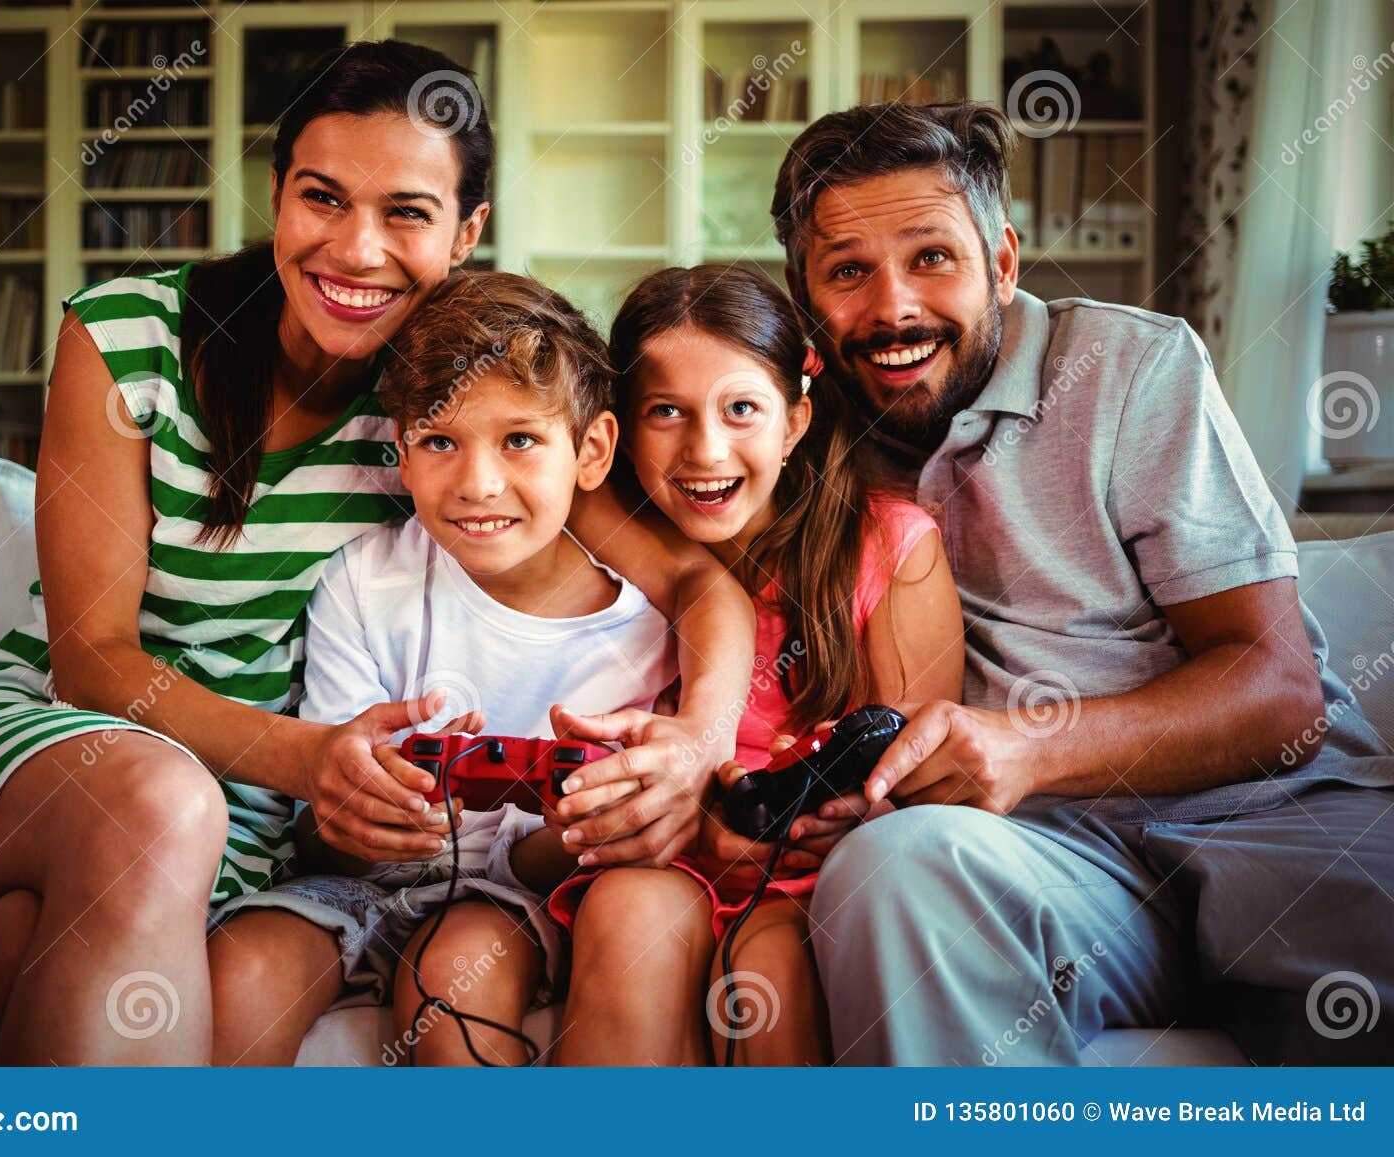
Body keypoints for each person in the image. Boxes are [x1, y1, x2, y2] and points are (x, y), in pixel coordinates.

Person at [0, 41, 751, 1066]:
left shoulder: (452, 396)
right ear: (278, 196)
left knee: (23, 949)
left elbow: (692, 580)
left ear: (468, 231)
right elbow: (91, 657)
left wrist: (697, 741)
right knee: (157, 807)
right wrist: (312, 761)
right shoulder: (127, 338)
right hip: (73, 749)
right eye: (323, 198)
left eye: (407, 211)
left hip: (270, 831)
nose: (357, 249)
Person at [771, 100, 1394, 1064]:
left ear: (1004, 263)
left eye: (932, 257)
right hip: (1055, 866)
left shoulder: (1130, 367)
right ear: (805, 296)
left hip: (1279, 824)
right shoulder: (785, 436)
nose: (892, 308)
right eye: (848, 271)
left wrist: (1028, 746)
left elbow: (1278, 689)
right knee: (891, 869)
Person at [206, 270, 679, 1066]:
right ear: (402, 451)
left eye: (520, 440)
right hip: (349, 885)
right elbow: (324, 836)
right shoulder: (362, 579)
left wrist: (572, 833)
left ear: (591, 450)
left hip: (505, 897)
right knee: (240, 969)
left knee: (456, 971)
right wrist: (363, 802)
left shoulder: (645, 634)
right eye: (439, 440)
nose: (477, 482)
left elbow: (532, 866)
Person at [547, 265, 963, 1065]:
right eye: (665, 412)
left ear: (795, 419)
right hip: (665, 856)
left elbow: (916, 779)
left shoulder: (888, 547)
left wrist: (833, 823)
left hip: (808, 878)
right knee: (627, 915)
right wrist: (698, 827)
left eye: (742, 409)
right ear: (620, 431)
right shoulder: (613, 549)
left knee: (768, 967)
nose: (705, 449)